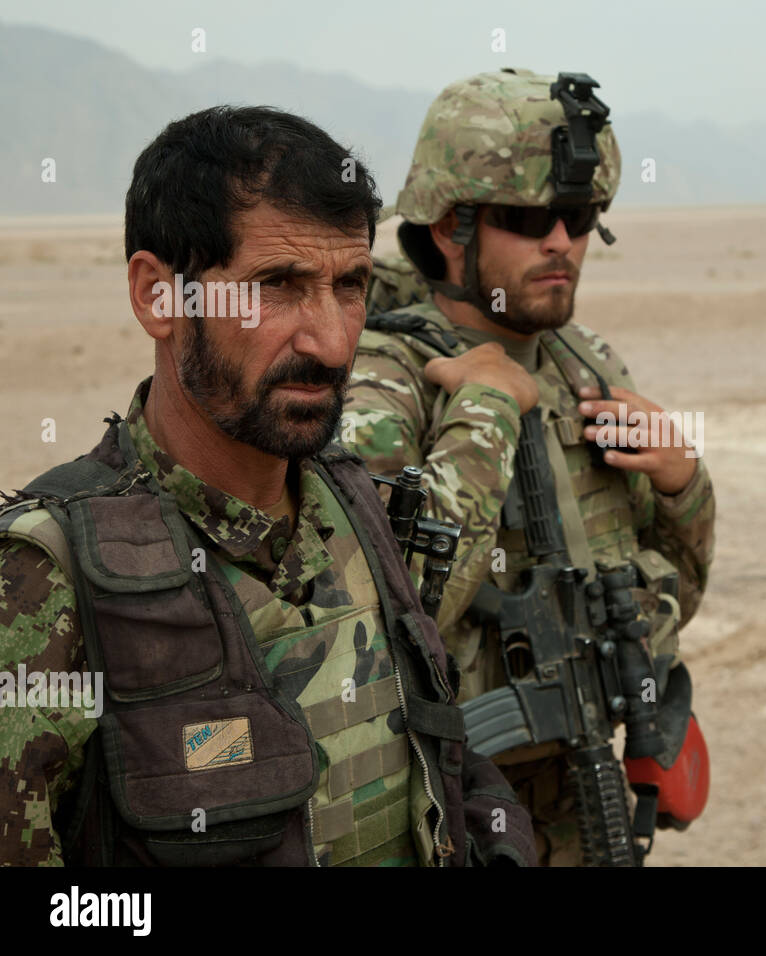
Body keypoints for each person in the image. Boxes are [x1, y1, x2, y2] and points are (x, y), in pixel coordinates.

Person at [0, 105, 535, 867]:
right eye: (277, 285)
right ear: (159, 295)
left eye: (350, 285)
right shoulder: (43, 580)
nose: (332, 341)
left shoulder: (361, 514)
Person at [345, 69, 715, 865]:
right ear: (451, 227)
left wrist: (684, 484)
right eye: (527, 218)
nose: (561, 241)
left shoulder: (586, 368)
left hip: (579, 796)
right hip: (444, 808)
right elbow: (385, 615)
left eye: (578, 216)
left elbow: (678, 587)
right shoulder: (383, 379)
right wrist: (484, 412)